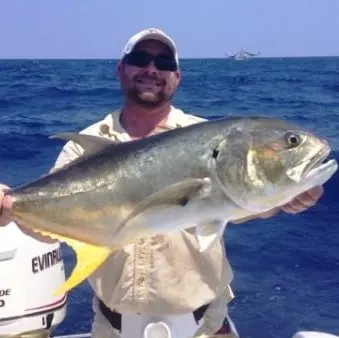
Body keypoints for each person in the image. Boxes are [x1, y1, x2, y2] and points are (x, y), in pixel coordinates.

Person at [0, 28, 324, 338]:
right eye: (141, 59)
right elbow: (41, 219)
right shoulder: (85, 145)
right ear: (121, 70)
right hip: (112, 331)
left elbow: (242, 206)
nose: (152, 69)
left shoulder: (206, 136)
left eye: (165, 63)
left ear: (177, 77)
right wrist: (11, 207)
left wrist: (284, 200)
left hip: (204, 330)